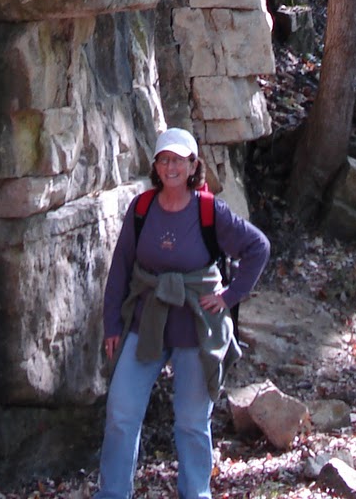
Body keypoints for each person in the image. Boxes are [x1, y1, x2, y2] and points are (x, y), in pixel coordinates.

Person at [93, 126, 271, 499]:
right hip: (146, 323)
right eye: (164, 160)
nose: (170, 167)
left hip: (196, 327)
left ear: (193, 166)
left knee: (191, 423)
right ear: (156, 167)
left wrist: (229, 295)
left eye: (178, 160)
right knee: (121, 415)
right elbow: (121, 269)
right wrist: (112, 324)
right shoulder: (141, 209)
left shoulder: (209, 210)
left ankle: (196, 494)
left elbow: (258, 247)